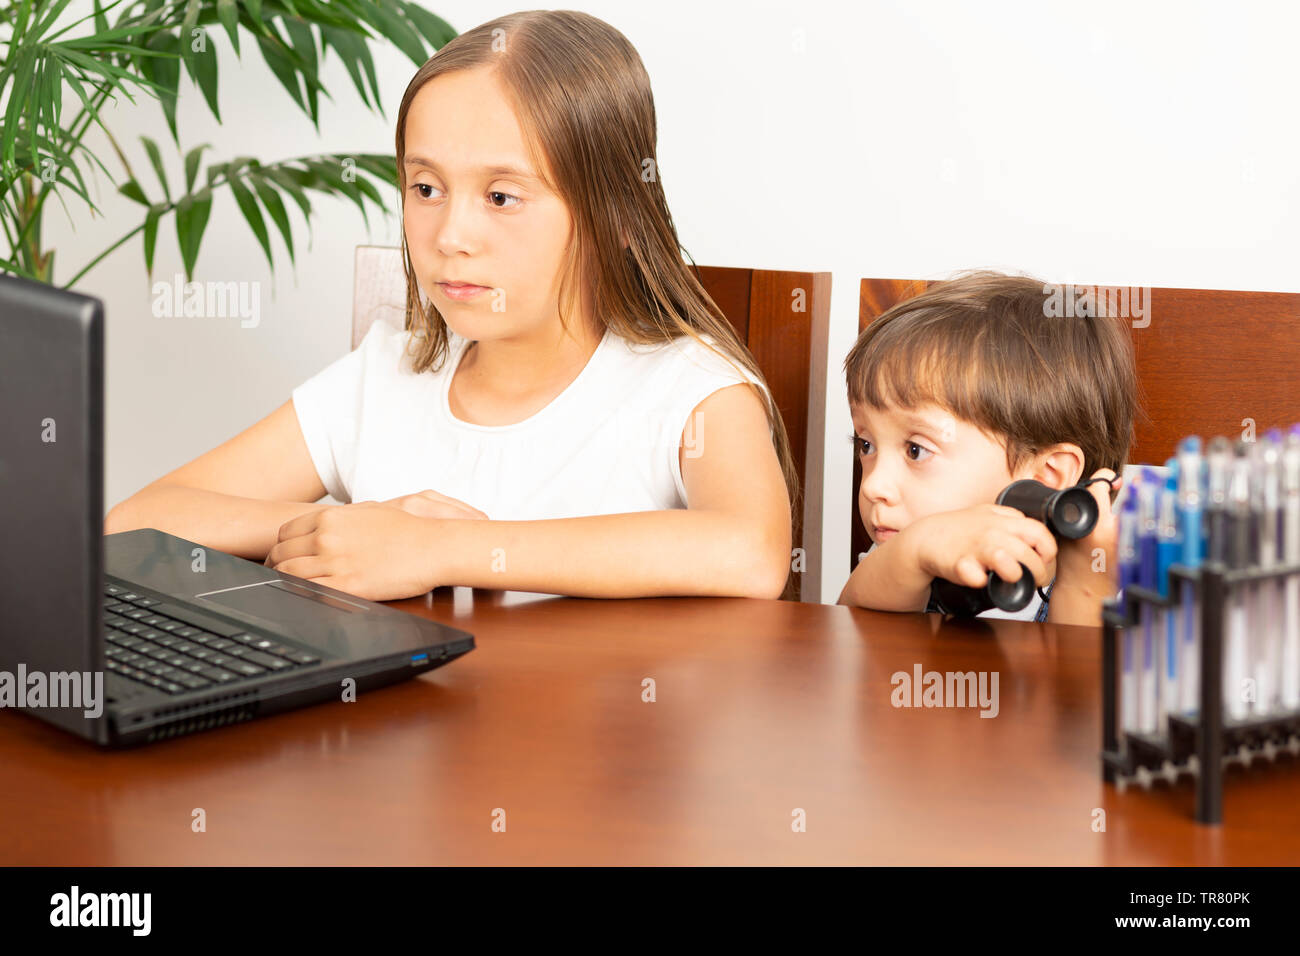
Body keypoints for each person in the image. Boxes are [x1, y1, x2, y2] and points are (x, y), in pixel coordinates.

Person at [105, 11, 796, 602]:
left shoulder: (689, 391)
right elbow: (137, 520)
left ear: (616, 214)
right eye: (426, 188)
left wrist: (441, 547)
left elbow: (751, 552)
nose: (450, 237)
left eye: (501, 196)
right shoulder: (383, 375)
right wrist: (367, 526)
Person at [836, 272, 1139, 626]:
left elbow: (1075, 678)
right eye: (866, 444)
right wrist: (913, 552)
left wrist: (1085, 580)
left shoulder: (1098, 572)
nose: (873, 486)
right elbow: (848, 631)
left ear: (1047, 476)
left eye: (916, 450)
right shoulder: (905, 546)